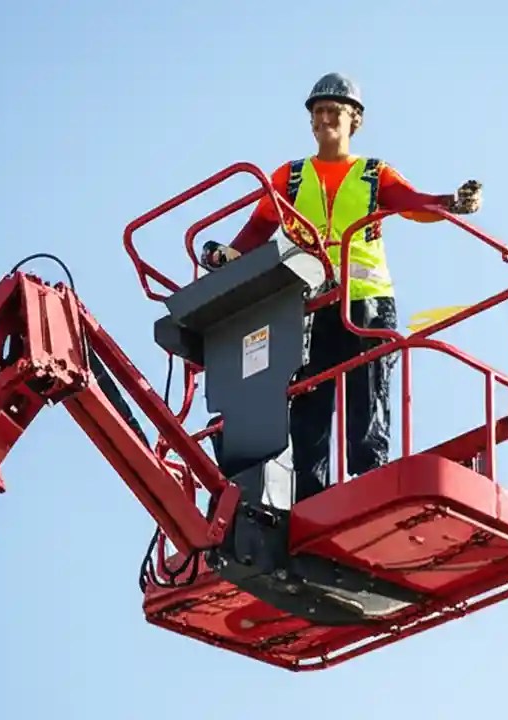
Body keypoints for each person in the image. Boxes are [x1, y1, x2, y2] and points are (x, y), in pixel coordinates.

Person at [203, 72, 482, 500]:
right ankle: (312, 497)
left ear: (355, 120)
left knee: (366, 390)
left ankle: (372, 480)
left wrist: (451, 204)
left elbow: (412, 204)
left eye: (334, 110)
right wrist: (225, 256)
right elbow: (256, 230)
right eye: (318, 112)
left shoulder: (373, 174)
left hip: (365, 299)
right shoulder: (290, 178)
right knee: (309, 396)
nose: (325, 118)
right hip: (309, 306)